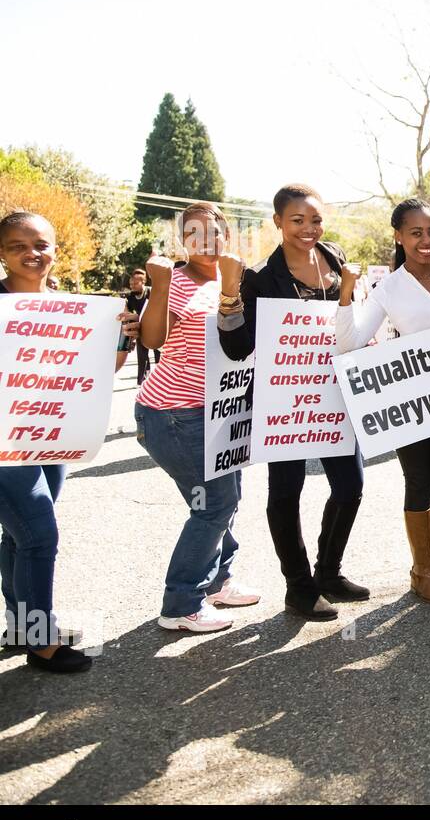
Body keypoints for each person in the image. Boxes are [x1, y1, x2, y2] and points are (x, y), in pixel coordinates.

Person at [218, 184, 367, 621]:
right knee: (286, 492)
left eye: (316, 220)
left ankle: (328, 572)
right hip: (283, 398)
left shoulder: (336, 257)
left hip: (334, 393)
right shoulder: (261, 277)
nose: (309, 228)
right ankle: (299, 588)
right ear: (278, 222)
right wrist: (229, 292)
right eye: (298, 220)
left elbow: (349, 319)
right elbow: (237, 346)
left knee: (350, 487)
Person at [0, 212, 138, 671]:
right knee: (39, 534)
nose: (31, 253)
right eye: (18, 245)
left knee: (20, 536)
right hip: (5, 445)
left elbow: (103, 373)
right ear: (1, 254)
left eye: (40, 243)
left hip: (52, 436)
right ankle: (40, 642)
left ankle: (20, 623)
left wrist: (124, 337)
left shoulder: (69, 309)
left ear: (55, 248)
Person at [336, 198, 430, 605]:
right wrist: (346, 292)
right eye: (416, 233)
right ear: (399, 236)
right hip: (409, 404)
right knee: (418, 483)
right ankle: (421, 571)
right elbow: (351, 343)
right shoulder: (388, 288)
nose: (426, 240)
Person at [136, 203, 259, 633]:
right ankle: (181, 602)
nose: (206, 242)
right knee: (213, 504)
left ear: (228, 234)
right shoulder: (176, 280)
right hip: (175, 414)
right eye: (194, 234)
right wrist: (160, 285)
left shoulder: (237, 278)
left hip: (224, 409)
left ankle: (218, 580)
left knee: (229, 498)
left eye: (214, 232)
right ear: (180, 241)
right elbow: (152, 339)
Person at [121, 268, 158, 382]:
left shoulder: (152, 292)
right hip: (141, 328)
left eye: (136, 283)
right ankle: (143, 380)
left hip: (156, 327)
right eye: (131, 284)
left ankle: (159, 378)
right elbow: (128, 313)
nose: (132, 286)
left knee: (159, 355)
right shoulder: (130, 297)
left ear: (143, 282)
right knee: (142, 356)